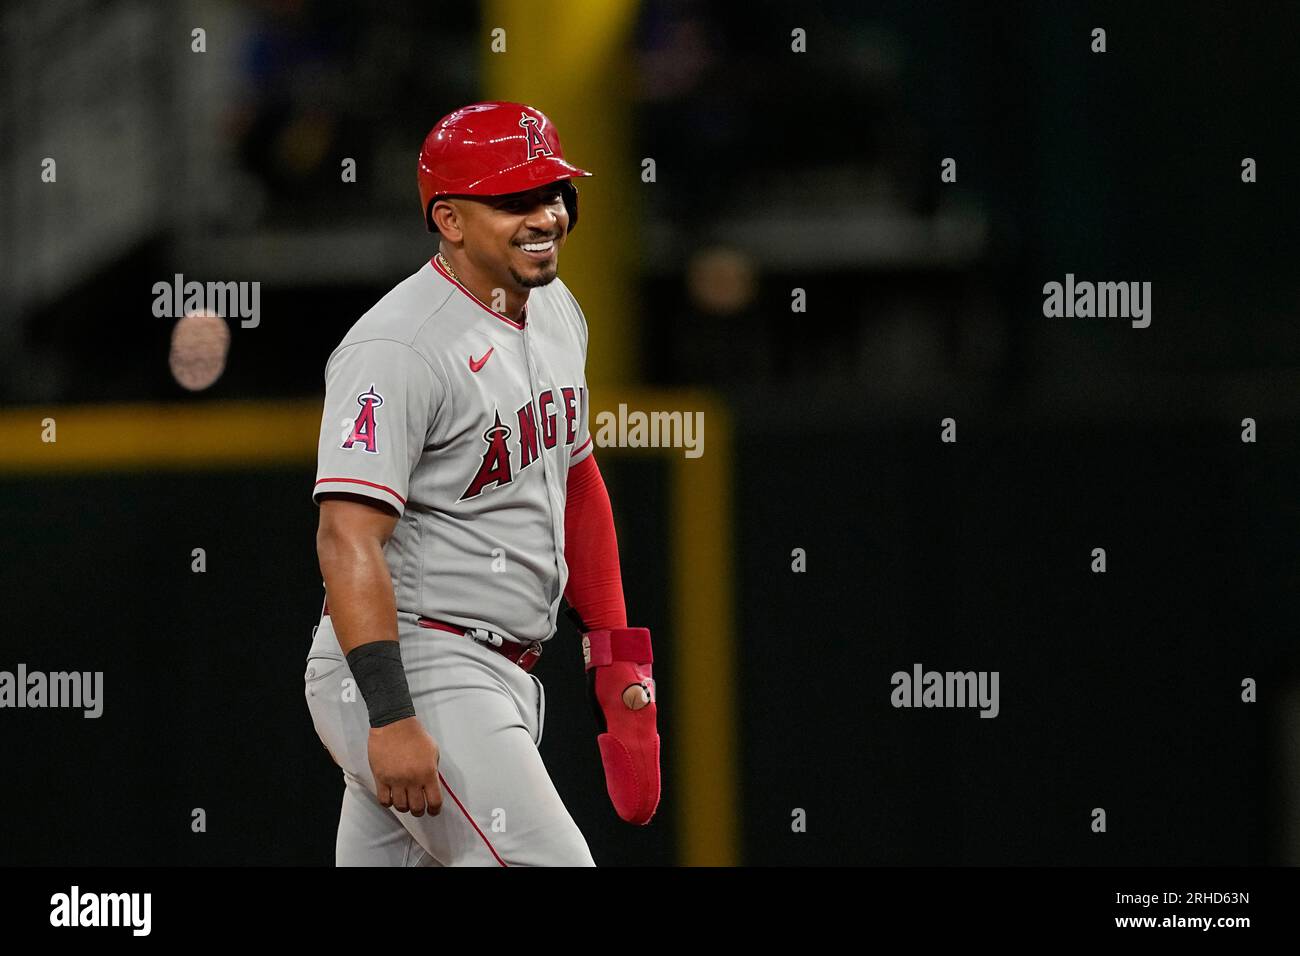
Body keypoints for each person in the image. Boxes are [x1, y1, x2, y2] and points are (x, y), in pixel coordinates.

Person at [302, 102, 660, 866]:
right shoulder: (397, 346)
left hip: (498, 670)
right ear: (451, 219)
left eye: (554, 192)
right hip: (419, 664)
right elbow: (346, 536)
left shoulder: (557, 310)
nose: (547, 215)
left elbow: (578, 478)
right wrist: (391, 713)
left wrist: (617, 655)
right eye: (514, 200)